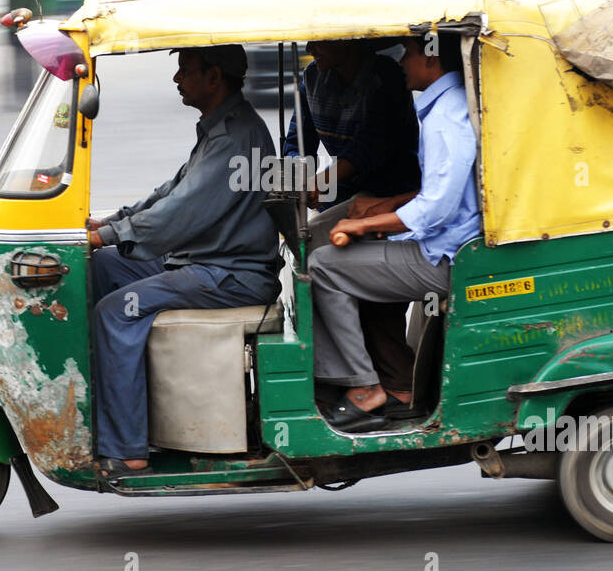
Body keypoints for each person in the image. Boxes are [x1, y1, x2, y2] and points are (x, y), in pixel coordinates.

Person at [87, 45, 282, 477]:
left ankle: (127, 447)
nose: (177, 80)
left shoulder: (234, 137)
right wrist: (111, 222)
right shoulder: (218, 130)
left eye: (185, 71)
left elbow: (181, 212)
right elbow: (169, 192)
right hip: (202, 263)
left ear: (214, 78)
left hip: (231, 275)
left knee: (115, 312)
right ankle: (119, 410)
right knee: (100, 269)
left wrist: (109, 234)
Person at [308, 32, 481, 432]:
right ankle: (397, 384)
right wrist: (385, 206)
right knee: (351, 259)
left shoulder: (445, 117)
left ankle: (363, 389)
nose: (402, 61)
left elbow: (436, 208)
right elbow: (444, 189)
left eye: (409, 53)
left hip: (442, 257)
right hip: (437, 242)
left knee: (323, 267)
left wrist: (364, 223)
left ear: (432, 59)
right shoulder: (442, 107)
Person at [283, 39, 422, 404]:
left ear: (351, 41)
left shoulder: (386, 77)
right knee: (304, 246)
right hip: (346, 194)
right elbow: (298, 140)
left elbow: (370, 148)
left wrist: (323, 181)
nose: (313, 46)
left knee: (367, 287)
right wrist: (296, 176)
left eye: (323, 40)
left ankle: (388, 383)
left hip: (395, 197)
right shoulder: (312, 77)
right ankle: (344, 371)